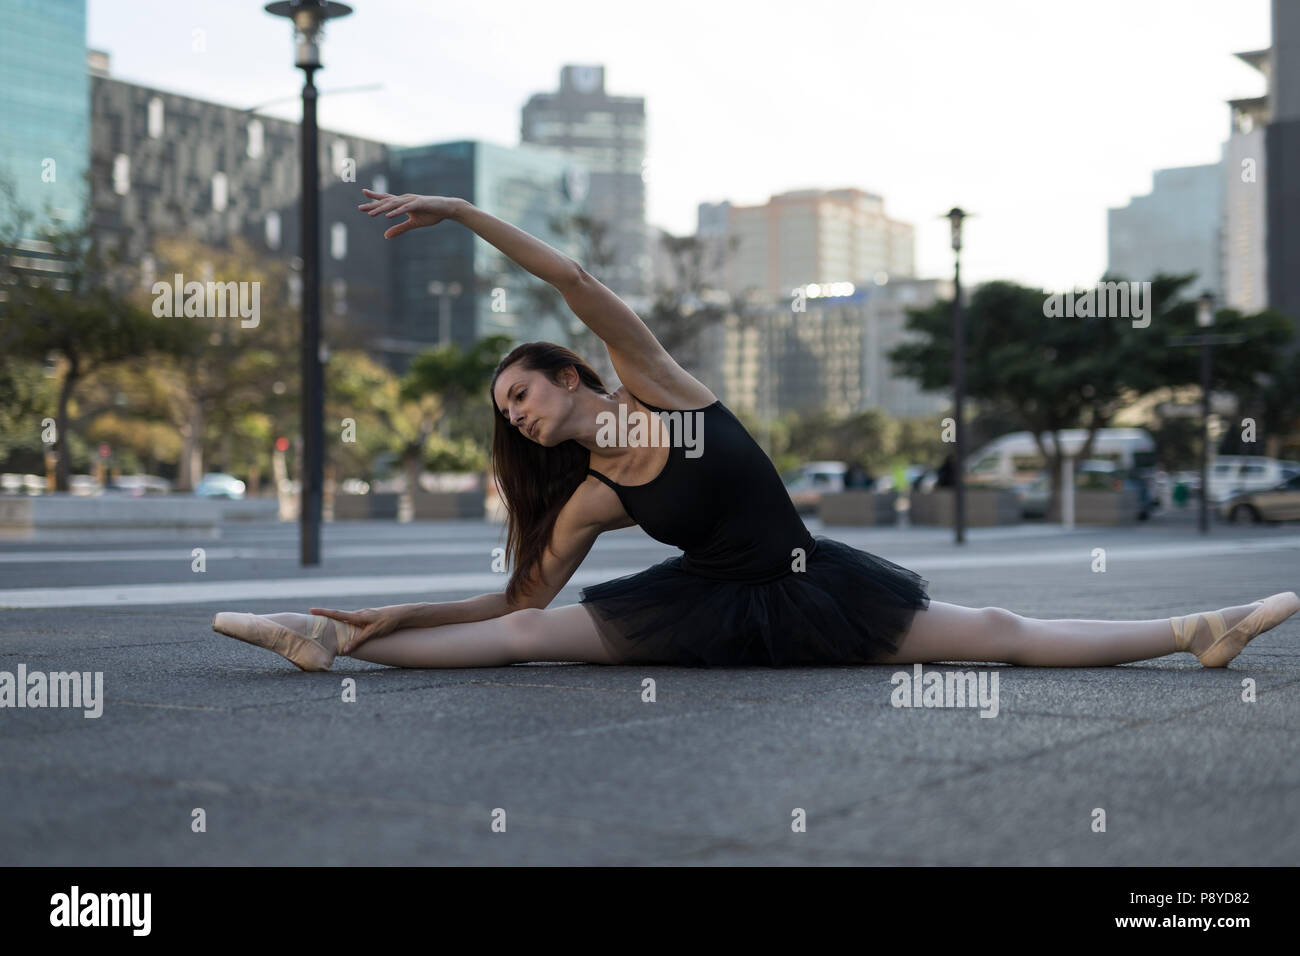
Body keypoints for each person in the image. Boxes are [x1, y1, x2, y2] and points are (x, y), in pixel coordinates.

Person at [210, 190, 1300, 671]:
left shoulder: (662, 386)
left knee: (1003, 626)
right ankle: (333, 643)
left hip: (815, 583)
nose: (521, 416)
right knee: (528, 638)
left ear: (570, 371)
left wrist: (458, 213)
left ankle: (1195, 627)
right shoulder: (594, 491)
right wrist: (387, 611)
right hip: (704, 611)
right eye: (508, 416)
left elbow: (576, 276)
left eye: (524, 394)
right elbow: (517, 596)